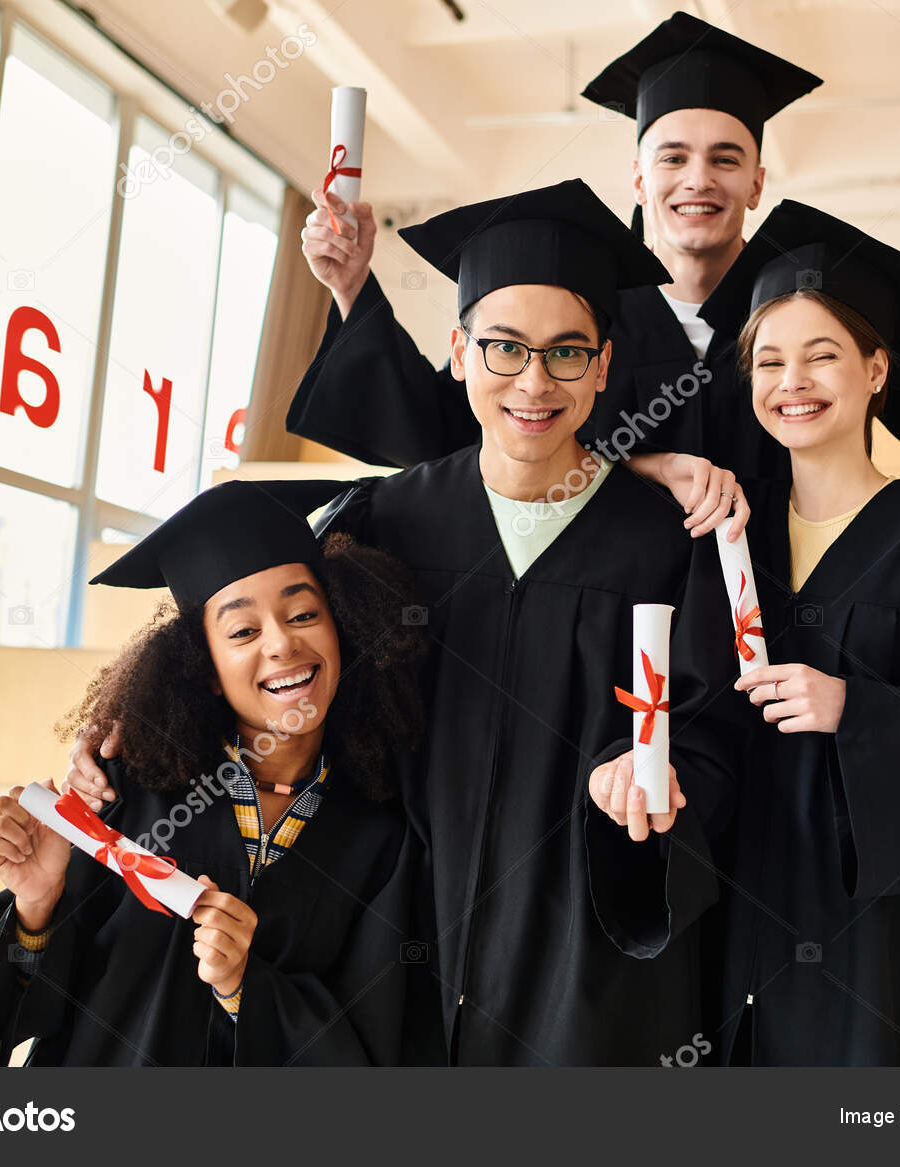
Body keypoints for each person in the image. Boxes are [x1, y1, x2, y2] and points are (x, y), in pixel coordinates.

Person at [69, 179, 746, 1066]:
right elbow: (269, 651)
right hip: (392, 937)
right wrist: (123, 728)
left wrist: (658, 780)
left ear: (605, 366)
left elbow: (714, 734)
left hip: (585, 951)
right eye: (504, 348)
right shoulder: (384, 523)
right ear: (460, 352)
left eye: (567, 353)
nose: (533, 381)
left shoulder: (664, 539)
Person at [286, 11, 900, 484]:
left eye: (728, 158)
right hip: (607, 646)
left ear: (758, 181)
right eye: (674, 158)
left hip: (781, 639)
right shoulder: (578, 304)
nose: (701, 179)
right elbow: (443, 433)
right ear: (639, 179)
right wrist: (354, 287)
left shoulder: (819, 297)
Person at [641, 200, 900, 1064]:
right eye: (768, 361)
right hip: (740, 921)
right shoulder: (731, 541)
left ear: (877, 370)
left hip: (884, 946)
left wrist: (861, 710)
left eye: (821, 355)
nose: (791, 381)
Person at [0, 480, 440, 1066]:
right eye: (242, 631)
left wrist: (246, 989)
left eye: (304, 613)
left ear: (344, 626)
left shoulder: (383, 830)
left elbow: (379, 1038)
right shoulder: (126, 791)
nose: (283, 643)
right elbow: (21, 1012)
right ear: (205, 667)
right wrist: (38, 906)